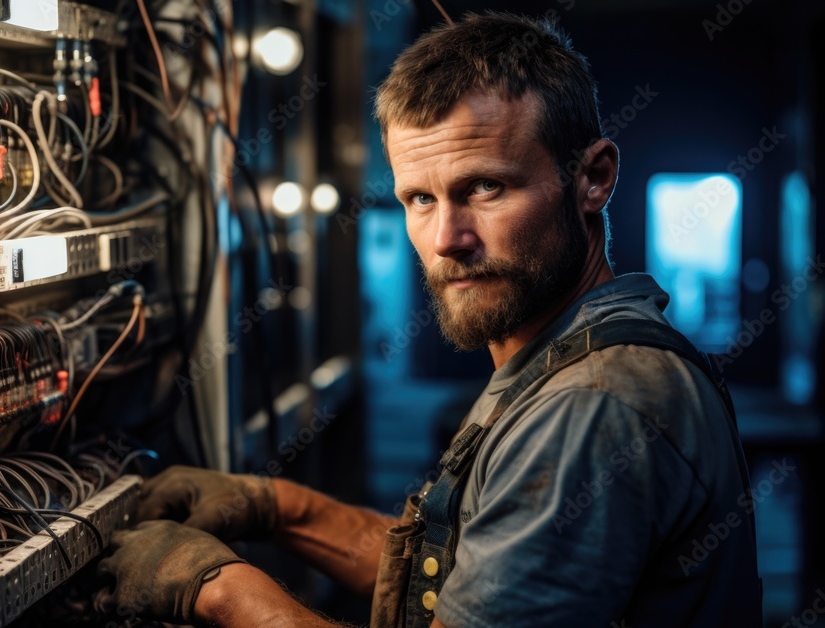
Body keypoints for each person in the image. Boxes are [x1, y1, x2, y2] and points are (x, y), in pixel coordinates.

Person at [93, 11, 762, 627]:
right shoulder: (572, 353)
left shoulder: (593, 404)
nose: (446, 238)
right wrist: (275, 507)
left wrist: (216, 588)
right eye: (418, 197)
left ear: (593, 178)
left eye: (484, 187)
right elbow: (474, 572)